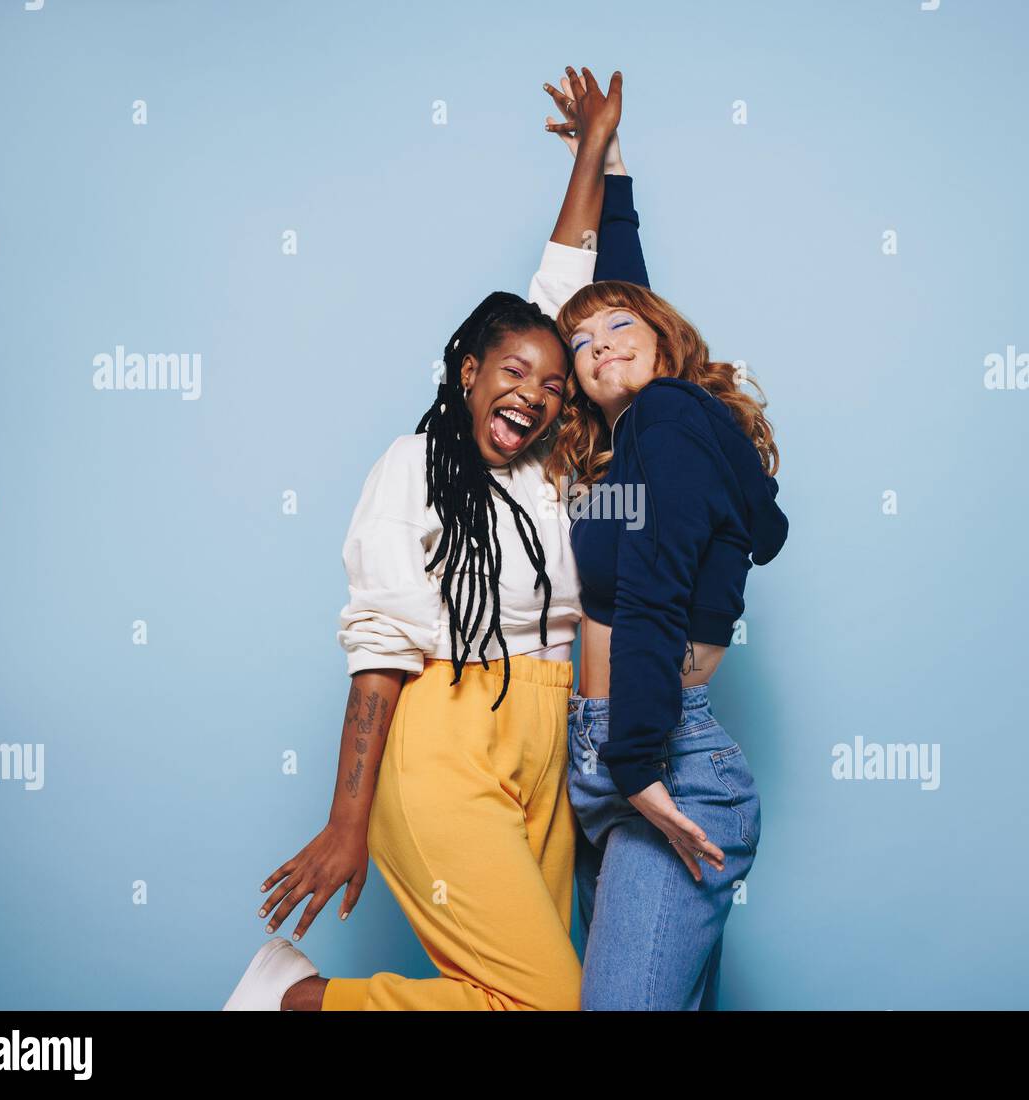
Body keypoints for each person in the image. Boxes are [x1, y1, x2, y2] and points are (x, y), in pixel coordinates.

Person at [223, 67, 634, 1011]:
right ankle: (298, 1004)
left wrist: (593, 156)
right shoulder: (414, 468)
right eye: (512, 373)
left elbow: (558, 288)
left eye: (552, 386)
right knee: (552, 1004)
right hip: (446, 736)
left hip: (552, 737)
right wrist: (345, 820)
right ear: (466, 371)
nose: (533, 393)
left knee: (506, 990)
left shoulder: (545, 466)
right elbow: (379, 654)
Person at [545, 231, 789, 1009]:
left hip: (659, 759)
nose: (597, 347)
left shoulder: (667, 416)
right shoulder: (637, 445)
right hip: (613, 753)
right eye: (579, 343)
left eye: (620, 327)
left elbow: (654, 590)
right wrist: (609, 169)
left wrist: (637, 763)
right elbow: (618, 310)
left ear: (665, 340)